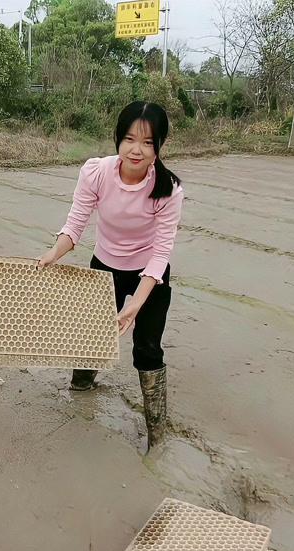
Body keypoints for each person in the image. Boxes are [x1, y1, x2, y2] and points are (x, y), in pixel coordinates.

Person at [37, 101, 184, 452]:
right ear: (118, 138)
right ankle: (81, 393)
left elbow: (160, 254)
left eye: (148, 142)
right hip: (104, 270)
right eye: (130, 138)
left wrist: (136, 302)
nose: (137, 149)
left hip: (150, 278)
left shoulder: (168, 190)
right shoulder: (96, 172)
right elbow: (75, 225)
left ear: (159, 146)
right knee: (90, 341)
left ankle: (156, 433)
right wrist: (52, 254)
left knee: (147, 351)